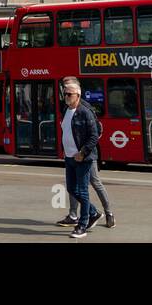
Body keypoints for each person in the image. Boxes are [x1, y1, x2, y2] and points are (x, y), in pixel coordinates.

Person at [59, 76, 101, 238]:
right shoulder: (66, 110)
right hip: (69, 157)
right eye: (65, 94)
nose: (66, 97)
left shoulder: (85, 112)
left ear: (78, 95)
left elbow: (93, 136)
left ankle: (82, 226)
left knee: (83, 191)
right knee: (71, 188)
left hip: (83, 158)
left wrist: (82, 153)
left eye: (69, 94)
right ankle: (93, 212)